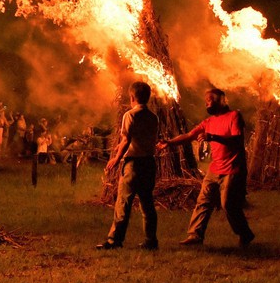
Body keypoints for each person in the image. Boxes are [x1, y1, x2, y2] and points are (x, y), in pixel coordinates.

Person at [158, 88, 255, 247]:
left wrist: (213, 137)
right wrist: (169, 143)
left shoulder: (234, 116)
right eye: (206, 100)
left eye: (210, 99)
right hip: (215, 168)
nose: (207, 102)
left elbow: (237, 141)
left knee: (228, 205)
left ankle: (245, 234)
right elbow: (189, 136)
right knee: (203, 200)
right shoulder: (208, 122)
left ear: (222, 100)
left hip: (232, 168)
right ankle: (195, 235)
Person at [97, 81, 159, 250]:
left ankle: (114, 240)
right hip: (149, 163)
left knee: (123, 202)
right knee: (147, 203)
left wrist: (116, 158)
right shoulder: (153, 117)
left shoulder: (130, 115)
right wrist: (122, 147)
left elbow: (127, 139)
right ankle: (151, 240)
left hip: (134, 164)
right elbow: (143, 139)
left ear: (132, 97)